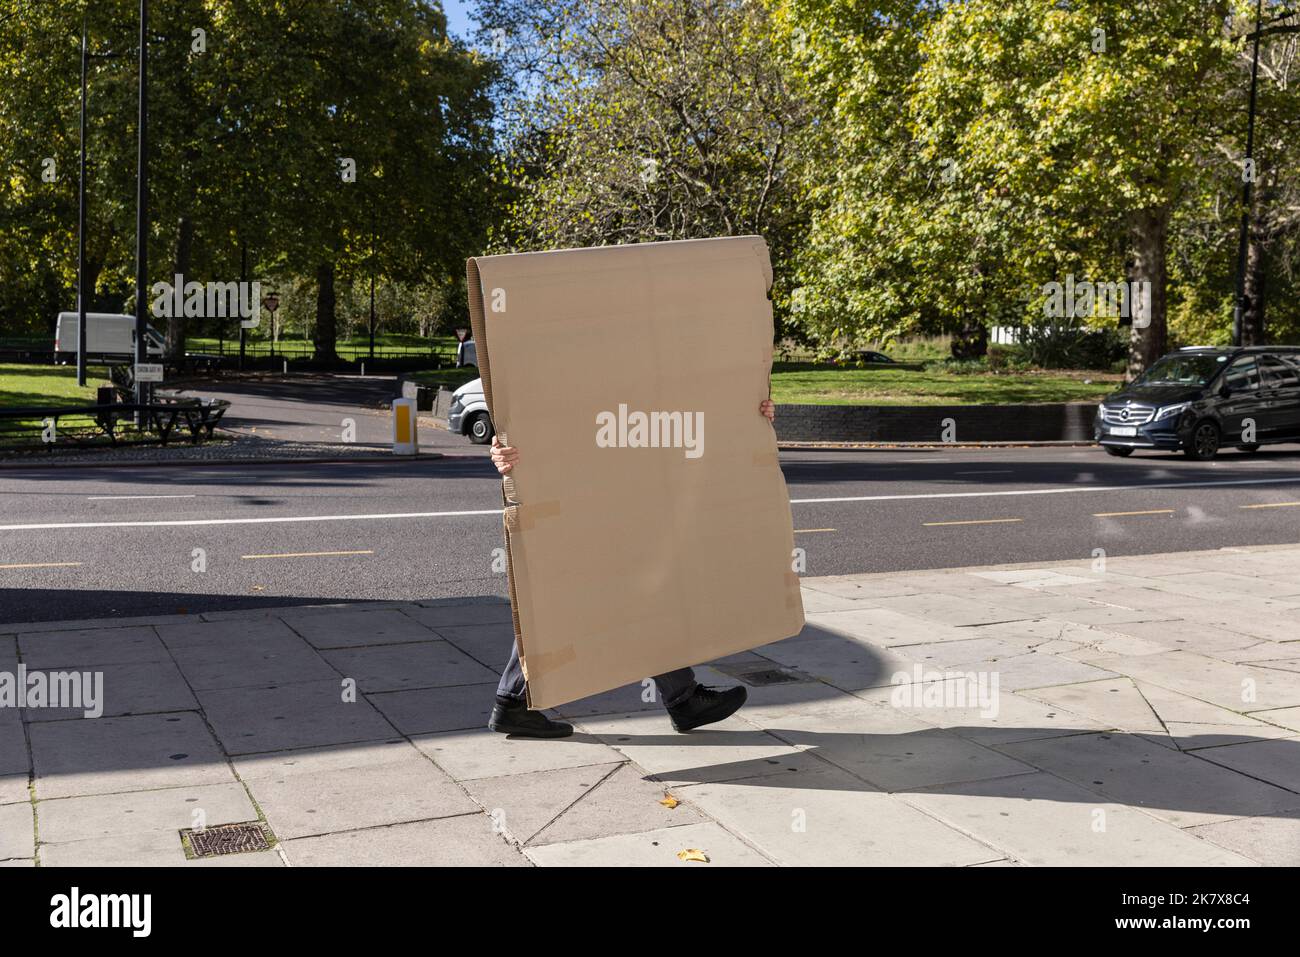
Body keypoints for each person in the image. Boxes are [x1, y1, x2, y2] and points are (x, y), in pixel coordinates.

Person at [487, 398, 778, 738]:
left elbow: (686, 401)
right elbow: (530, 408)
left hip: (617, 481)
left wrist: (748, 413)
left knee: (629, 592)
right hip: (579, 488)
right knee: (582, 595)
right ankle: (681, 699)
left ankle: (680, 697)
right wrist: (502, 447)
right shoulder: (567, 368)